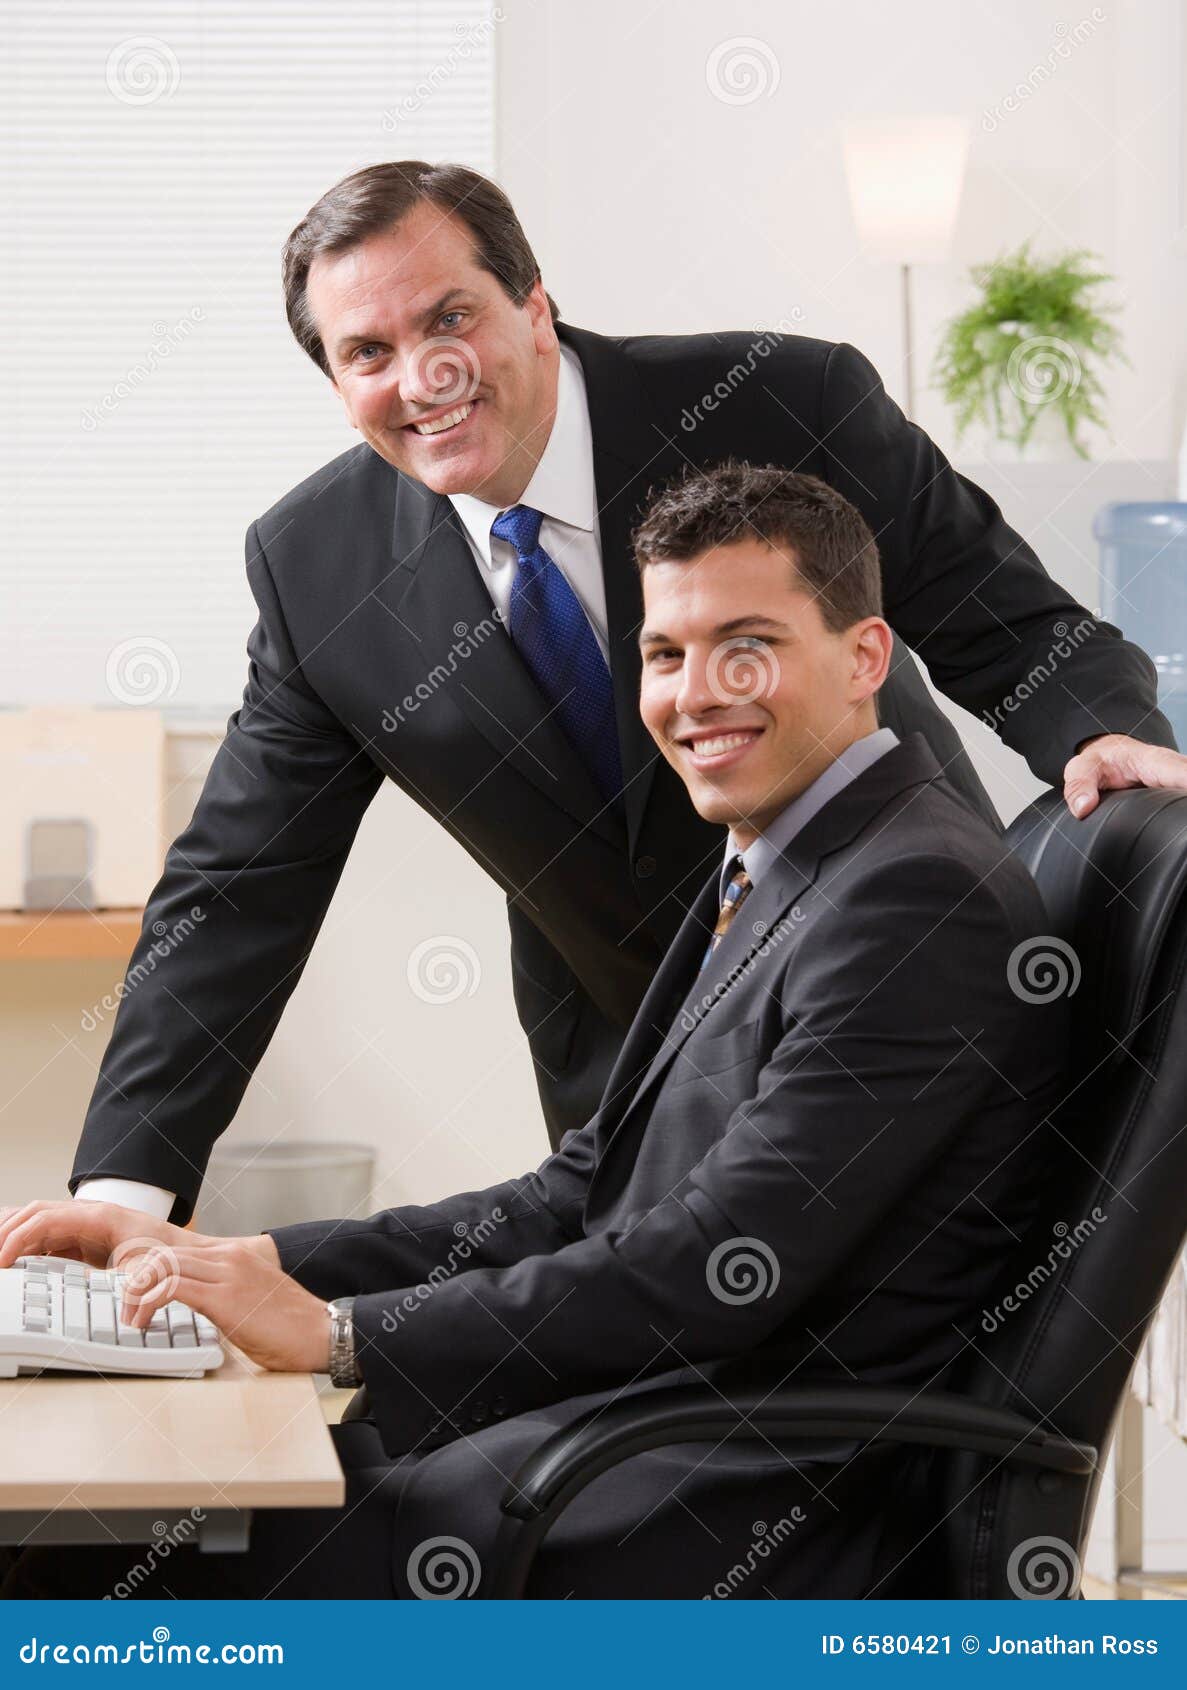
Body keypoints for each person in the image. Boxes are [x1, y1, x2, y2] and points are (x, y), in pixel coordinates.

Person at [1, 465, 1070, 1599]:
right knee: (110, 1514)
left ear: (864, 658)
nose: (695, 695)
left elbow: (716, 1263)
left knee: (86, 1552)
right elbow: (584, 1189)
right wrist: (254, 1265)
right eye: (664, 654)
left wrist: (341, 1334)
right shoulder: (790, 859)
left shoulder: (911, 897)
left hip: (734, 1499)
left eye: (746, 646)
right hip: (632, 1440)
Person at [63, 161, 1186, 1223]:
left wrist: (1100, 732)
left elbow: (997, 610)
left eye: (450, 318)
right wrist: (123, 1200)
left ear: (533, 306)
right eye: (368, 351)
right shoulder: (316, 568)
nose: (423, 378)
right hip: (628, 1082)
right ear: (336, 383)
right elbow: (237, 890)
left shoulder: (780, 402)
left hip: (902, 1001)